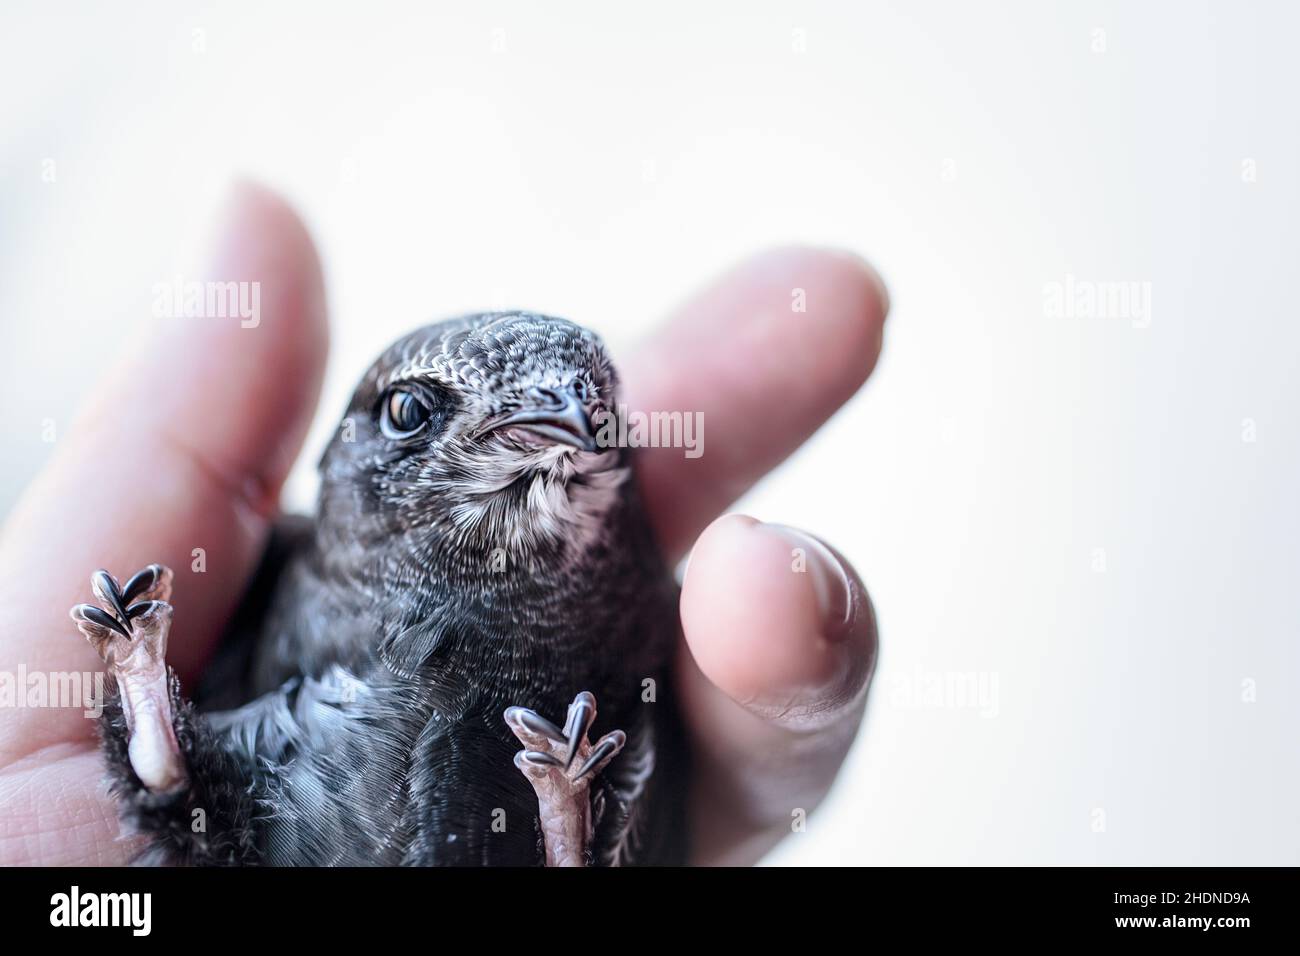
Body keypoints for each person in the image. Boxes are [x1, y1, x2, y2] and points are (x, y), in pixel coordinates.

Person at [0, 183, 886, 866]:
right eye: (418, 413)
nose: (555, 424)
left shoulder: (643, 646)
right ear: (349, 458)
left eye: (591, 413)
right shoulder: (257, 576)